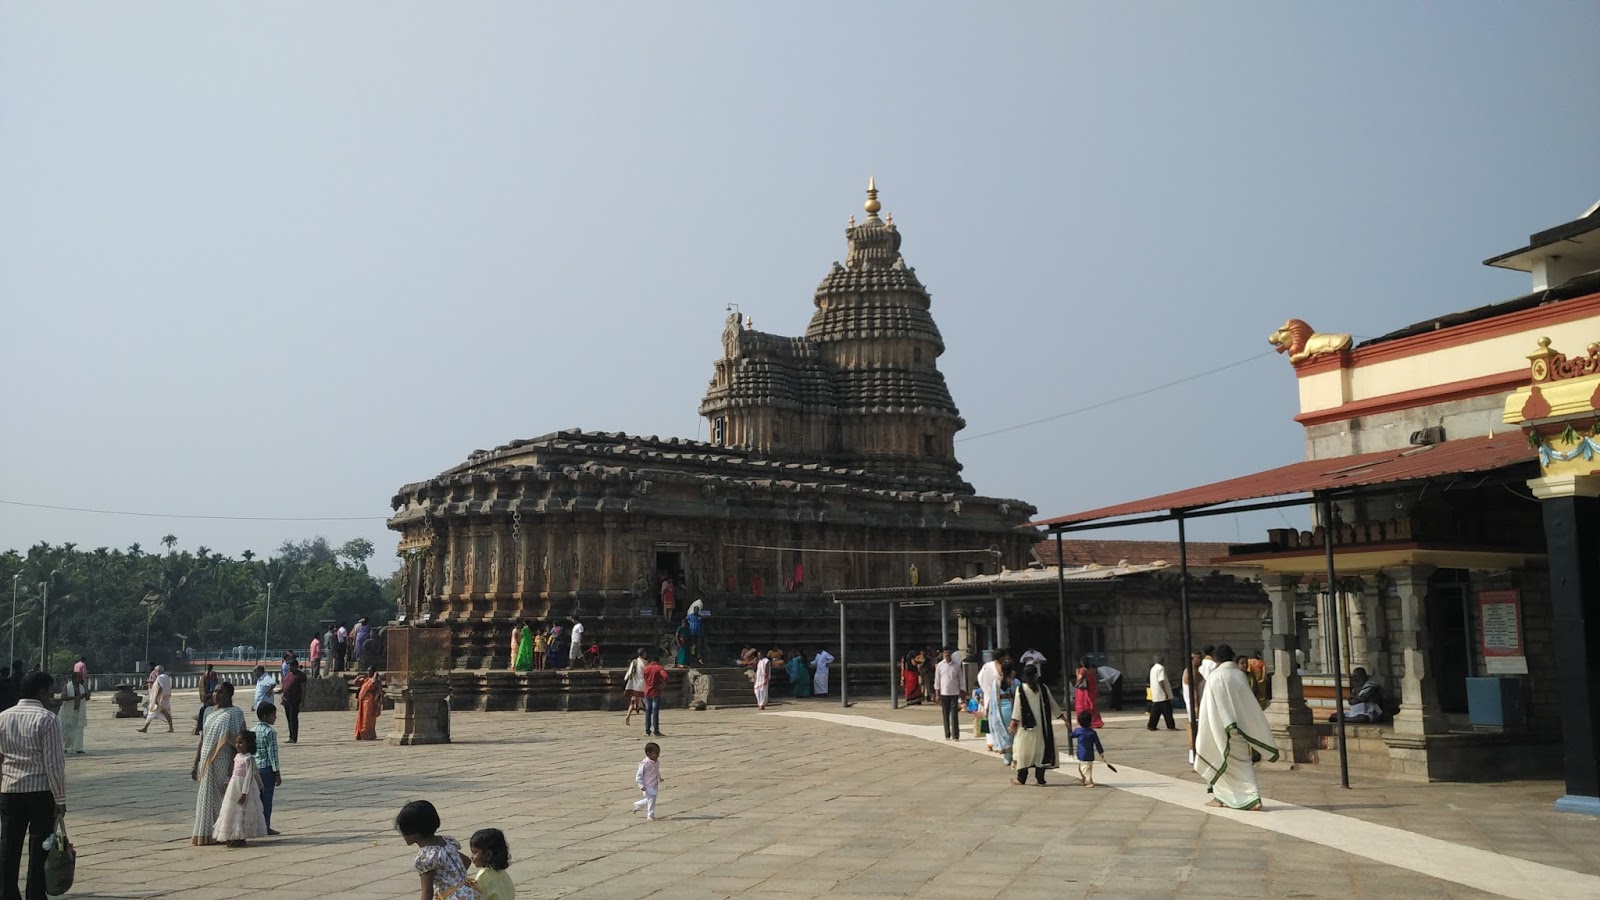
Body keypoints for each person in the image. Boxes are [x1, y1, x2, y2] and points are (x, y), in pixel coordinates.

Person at [0, 671, 66, 900]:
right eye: (50, 691)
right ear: (40, 692)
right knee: (39, 848)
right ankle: (35, 894)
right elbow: (54, 763)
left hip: (10, 790)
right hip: (39, 791)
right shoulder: (47, 719)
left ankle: (6, 892)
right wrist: (60, 800)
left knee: (8, 846)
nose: (52, 695)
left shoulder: (3, 717)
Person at [1194, 644, 1279, 810]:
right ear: (1232, 657)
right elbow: (1247, 704)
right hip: (1240, 728)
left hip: (1220, 729)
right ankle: (1224, 797)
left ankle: (1251, 798)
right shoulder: (1239, 675)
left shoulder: (1215, 676)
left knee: (1221, 761)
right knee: (1243, 763)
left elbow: (1209, 708)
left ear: (1216, 659)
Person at [191, 682, 245, 845]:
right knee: (207, 799)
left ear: (229, 695)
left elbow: (237, 742)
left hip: (224, 760)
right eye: (214, 691)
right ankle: (209, 833)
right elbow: (203, 739)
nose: (216, 695)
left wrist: (233, 767)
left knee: (226, 798)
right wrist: (196, 763)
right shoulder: (210, 713)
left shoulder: (234, 713)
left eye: (220, 692)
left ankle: (232, 834)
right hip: (207, 762)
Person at [395, 800, 481, 900]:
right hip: (469, 892)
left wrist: (446, 889)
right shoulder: (446, 841)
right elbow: (466, 861)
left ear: (413, 833)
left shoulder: (425, 857)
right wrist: (455, 880)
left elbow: (427, 892)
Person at [212, 732, 267, 848]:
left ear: (249, 744)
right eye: (237, 742)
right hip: (234, 785)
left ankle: (241, 837)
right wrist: (228, 782)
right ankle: (233, 835)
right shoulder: (237, 757)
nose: (238, 745)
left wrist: (244, 793)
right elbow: (233, 772)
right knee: (232, 809)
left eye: (241, 743)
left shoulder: (249, 758)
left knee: (243, 811)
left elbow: (249, 776)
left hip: (244, 787)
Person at [1007, 664, 1060, 785]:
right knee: (1040, 751)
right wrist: (1063, 718)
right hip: (1042, 728)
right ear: (1037, 675)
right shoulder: (1043, 688)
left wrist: (1013, 723)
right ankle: (1040, 779)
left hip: (1026, 727)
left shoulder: (1020, 689)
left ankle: (1021, 778)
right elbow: (1053, 705)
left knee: (1022, 751)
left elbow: (1017, 710)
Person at [252, 702, 282, 834]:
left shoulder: (252, 730)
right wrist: (277, 773)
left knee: (256, 799)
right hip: (266, 769)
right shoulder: (270, 732)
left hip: (255, 768)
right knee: (267, 800)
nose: (275, 718)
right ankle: (265, 826)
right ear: (265, 716)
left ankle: (255, 825)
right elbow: (273, 754)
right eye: (273, 715)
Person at [978, 649, 1012, 754]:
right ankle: (998, 742)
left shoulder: (986, 666)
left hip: (988, 694)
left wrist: (983, 694)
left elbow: (980, 679)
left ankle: (990, 742)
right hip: (996, 696)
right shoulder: (999, 668)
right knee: (997, 720)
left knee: (990, 720)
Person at [468, 828, 514, 900]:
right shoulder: (503, 874)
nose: (471, 856)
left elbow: (476, 897)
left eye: (475, 852)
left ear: (488, 854)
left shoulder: (483, 875)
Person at [934, 647, 965, 741]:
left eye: (948, 653)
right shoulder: (940, 665)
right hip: (944, 693)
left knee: (954, 715)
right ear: (943, 654)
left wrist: (962, 691)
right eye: (945, 653)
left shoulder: (956, 665)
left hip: (954, 693)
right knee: (945, 714)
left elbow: (961, 678)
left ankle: (956, 735)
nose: (947, 655)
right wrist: (937, 694)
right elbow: (937, 680)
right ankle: (947, 734)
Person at [1070, 710, 1107, 788]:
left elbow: (1072, 735)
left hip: (1082, 754)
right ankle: (1084, 779)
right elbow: (1097, 744)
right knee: (1085, 768)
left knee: (1085, 769)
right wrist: (1101, 752)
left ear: (1079, 721)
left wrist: (1069, 729)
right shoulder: (1092, 732)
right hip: (1090, 754)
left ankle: (1089, 781)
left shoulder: (1078, 731)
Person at [58, 670, 90, 755]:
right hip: (68, 712)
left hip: (78, 711)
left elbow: (86, 699)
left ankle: (78, 748)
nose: (81, 679)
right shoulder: (67, 687)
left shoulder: (82, 687)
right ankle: (63, 747)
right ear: (74, 678)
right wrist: (77, 697)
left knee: (78, 730)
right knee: (66, 731)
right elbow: (63, 697)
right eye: (79, 677)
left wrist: (87, 695)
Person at [138, 664, 173, 733]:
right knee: (165, 712)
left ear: (157, 671)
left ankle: (145, 728)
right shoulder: (166, 677)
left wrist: (156, 697)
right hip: (166, 697)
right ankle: (171, 727)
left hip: (160, 698)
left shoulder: (160, 678)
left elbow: (160, 688)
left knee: (151, 712)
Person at [632, 741, 662, 821]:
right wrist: (641, 785)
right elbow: (639, 776)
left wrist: (659, 778)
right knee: (652, 801)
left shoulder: (656, 762)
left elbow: (656, 771)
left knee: (651, 799)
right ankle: (650, 815)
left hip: (654, 784)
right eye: (656, 753)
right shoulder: (644, 764)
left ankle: (638, 805)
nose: (658, 755)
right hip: (647, 786)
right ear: (648, 754)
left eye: (658, 753)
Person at [642, 653, 668, 737]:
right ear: (658, 661)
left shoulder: (646, 668)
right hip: (655, 691)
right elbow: (666, 676)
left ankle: (647, 730)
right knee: (655, 712)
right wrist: (663, 684)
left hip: (647, 691)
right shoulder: (658, 668)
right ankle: (656, 730)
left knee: (647, 712)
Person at [1147, 654, 1177, 731]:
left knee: (1155, 711)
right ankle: (1170, 725)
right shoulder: (1160, 668)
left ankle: (1151, 725)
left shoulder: (1153, 668)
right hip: (1161, 693)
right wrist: (1165, 692)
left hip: (1156, 693)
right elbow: (1161, 681)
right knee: (1167, 711)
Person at [1073, 658, 1104, 729]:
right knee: (1092, 707)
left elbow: (1079, 679)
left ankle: (1083, 722)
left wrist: (1077, 674)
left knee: (1082, 707)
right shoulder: (1092, 670)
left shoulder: (1082, 670)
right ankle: (1096, 722)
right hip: (1091, 691)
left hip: (1083, 692)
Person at [355, 668, 384, 740]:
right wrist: (358, 677)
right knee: (361, 718)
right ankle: (360, 733)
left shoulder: (375, 680)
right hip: (362, 702)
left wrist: (375, 674)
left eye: (370, 671)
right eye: (367, 671)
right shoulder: (366, 679)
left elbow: (373, 683)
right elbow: (355, 683)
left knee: (367, 719)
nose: (368, 673)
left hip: (369, 702)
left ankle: (368, 734)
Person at [281, 659, 304, 744]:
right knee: (288, 718)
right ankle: (290, 735)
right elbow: (285, 685)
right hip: (286, 699)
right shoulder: (288, 674)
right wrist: (282, 695)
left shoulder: (301, 675)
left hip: (295, 700)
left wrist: (303, 700)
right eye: (289, 666)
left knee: (293, 718)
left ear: (296, 666)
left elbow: (304, 688)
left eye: (291, 666)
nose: (289, 668)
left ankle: (294, 737)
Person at [623, 648, 648, 726]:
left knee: (633, 701)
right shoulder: (645, 662)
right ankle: (648, 719)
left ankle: (628, 716)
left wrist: (625, 679)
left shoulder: (634, 661)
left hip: (634, 684)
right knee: (646, 702)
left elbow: (629, 672)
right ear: (644, 654)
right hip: (642, 683)